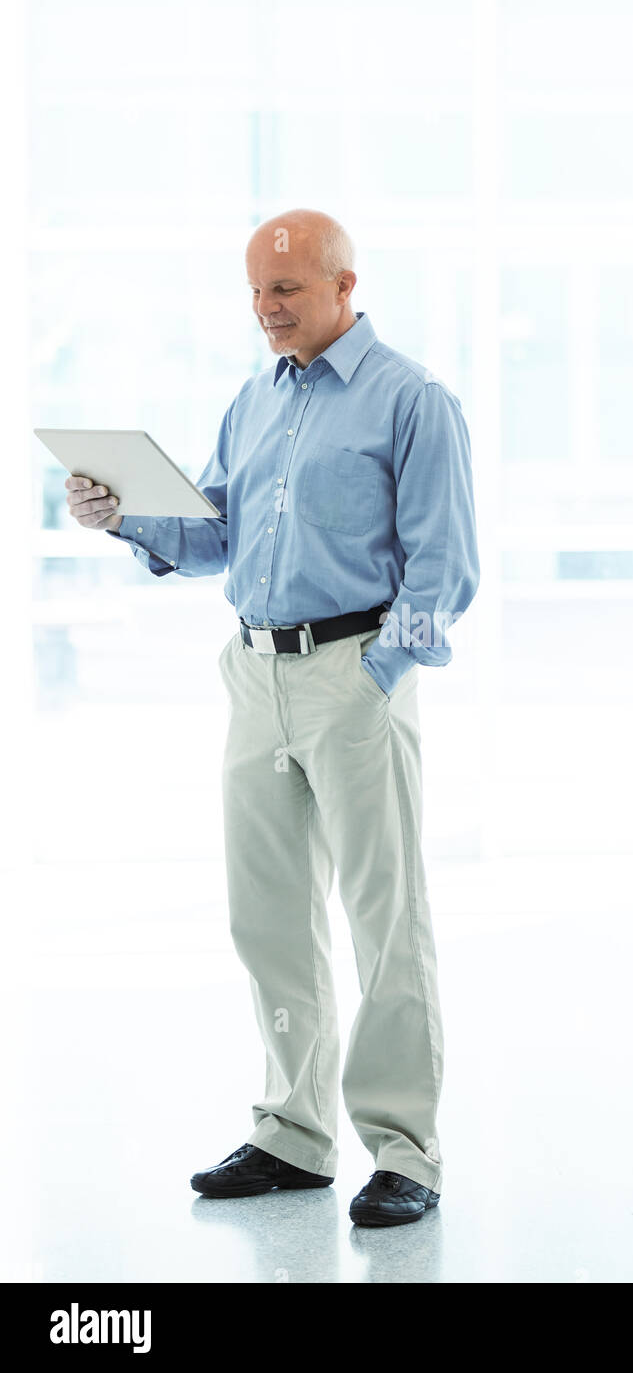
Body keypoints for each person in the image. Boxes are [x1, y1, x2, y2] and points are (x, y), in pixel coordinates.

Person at [65, 208, 480, 1228]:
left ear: (345, 286)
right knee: (268, 917)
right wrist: (126, 514)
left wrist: (379, 674)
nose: (266, 309)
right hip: (253, 676)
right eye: (256, 291)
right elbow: (215, 535)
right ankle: (292, 1132)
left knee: (386, 922)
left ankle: (404, 1147)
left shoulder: (412, 401)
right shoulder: (253, 401)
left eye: (286, 291)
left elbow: (445, 568)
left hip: (354, 674)